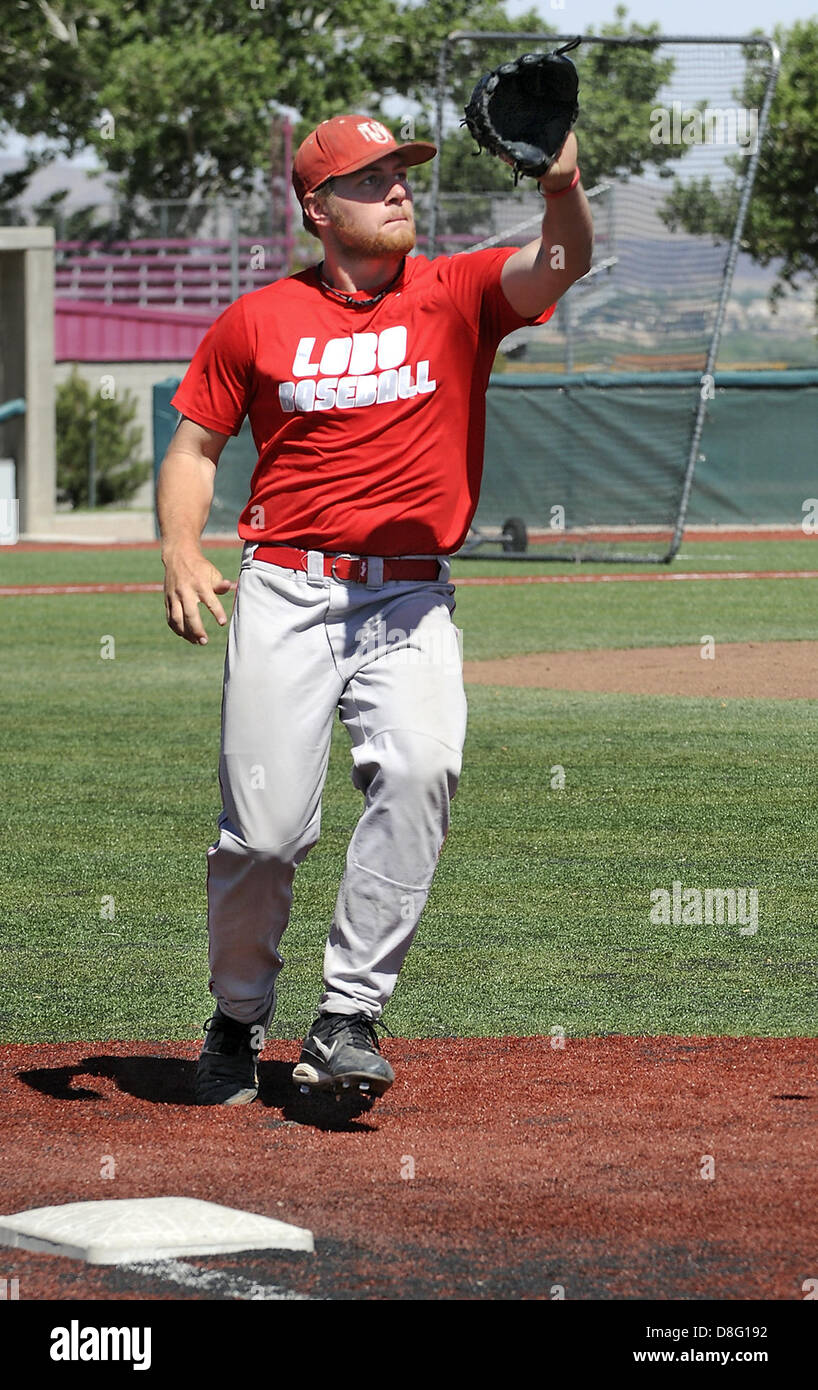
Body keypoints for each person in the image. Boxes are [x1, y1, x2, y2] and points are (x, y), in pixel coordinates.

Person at [157, 113, 593, 1107]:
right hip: (286, 586)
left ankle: (348, 1017)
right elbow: (192, 448)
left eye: (400, 170)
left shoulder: (458, 292)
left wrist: (559, 178)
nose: (395, 188)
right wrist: (182, 548)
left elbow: (560, 259)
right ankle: (237, 1014)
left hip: (408, 591)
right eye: (367, 177)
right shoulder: (255, 320)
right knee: (263, 836)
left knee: (422, 767)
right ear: (314, 207)